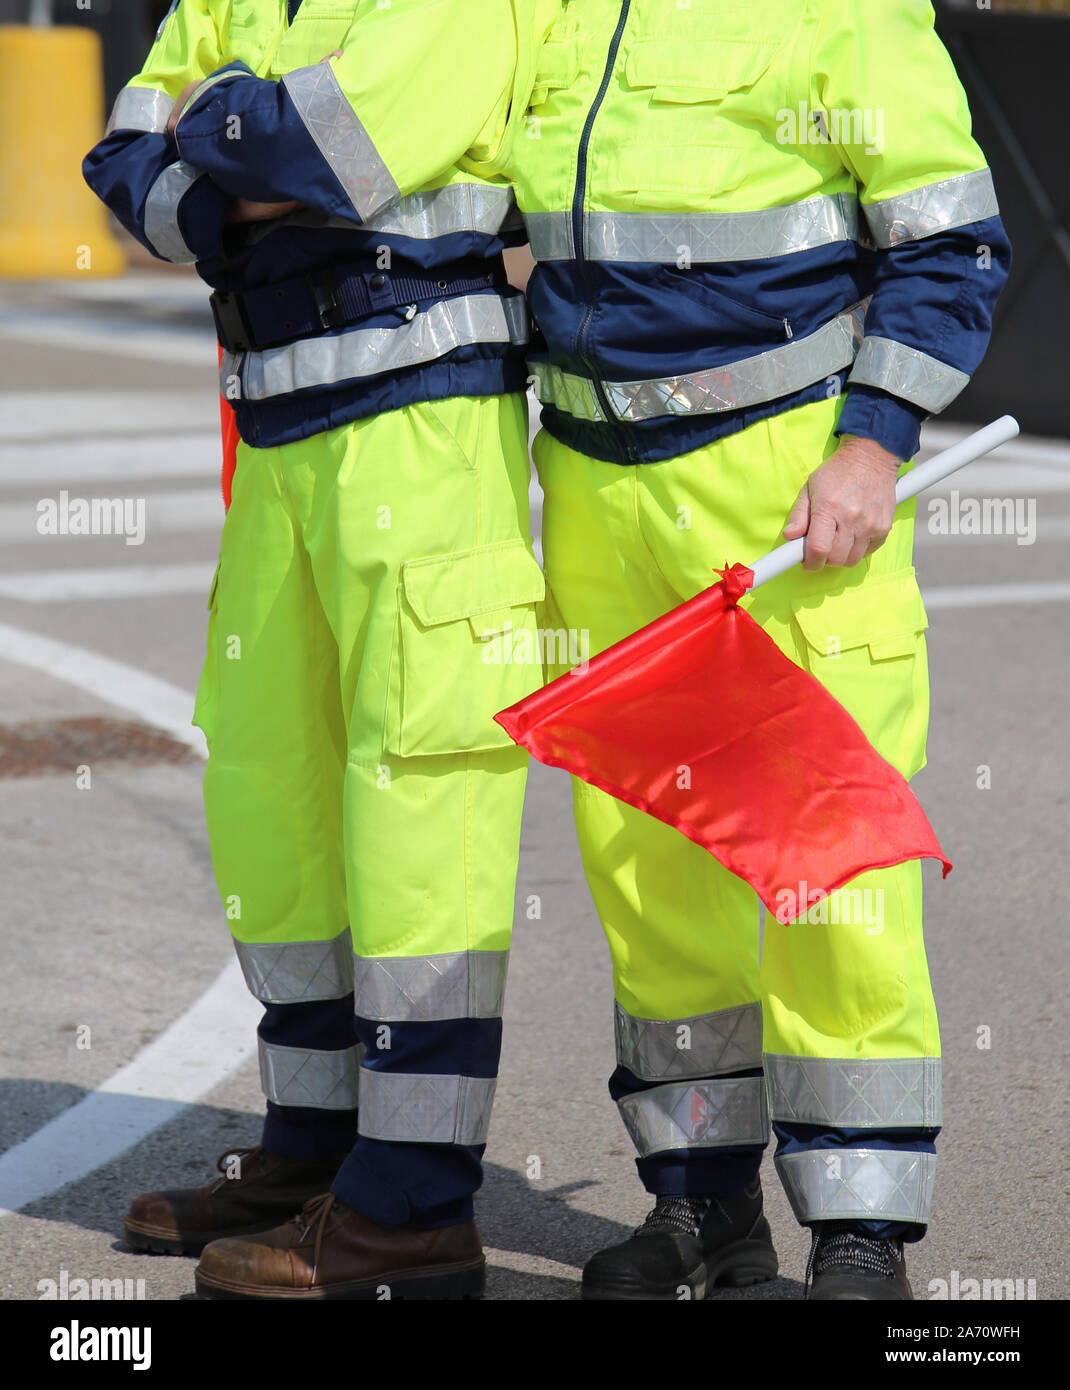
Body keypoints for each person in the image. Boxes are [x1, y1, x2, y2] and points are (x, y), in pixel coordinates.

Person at [504, 0, 1011, 1299]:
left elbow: (948, 240)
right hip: (593, 489)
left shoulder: (840, 15)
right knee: (648, 869)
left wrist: (870, 440)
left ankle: (860, 1227)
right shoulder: (557, 17)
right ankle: (699, 1205)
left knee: (823, 865)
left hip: (779, 493)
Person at [83, 0, 561, 1300]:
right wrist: (234, 186)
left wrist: (220, 135)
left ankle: (410, 1205)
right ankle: (315, 1153)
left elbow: (335, 156)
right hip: (281, 441)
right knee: (269, 793)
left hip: (420, 426)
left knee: (418, 806)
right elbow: (122, 148)